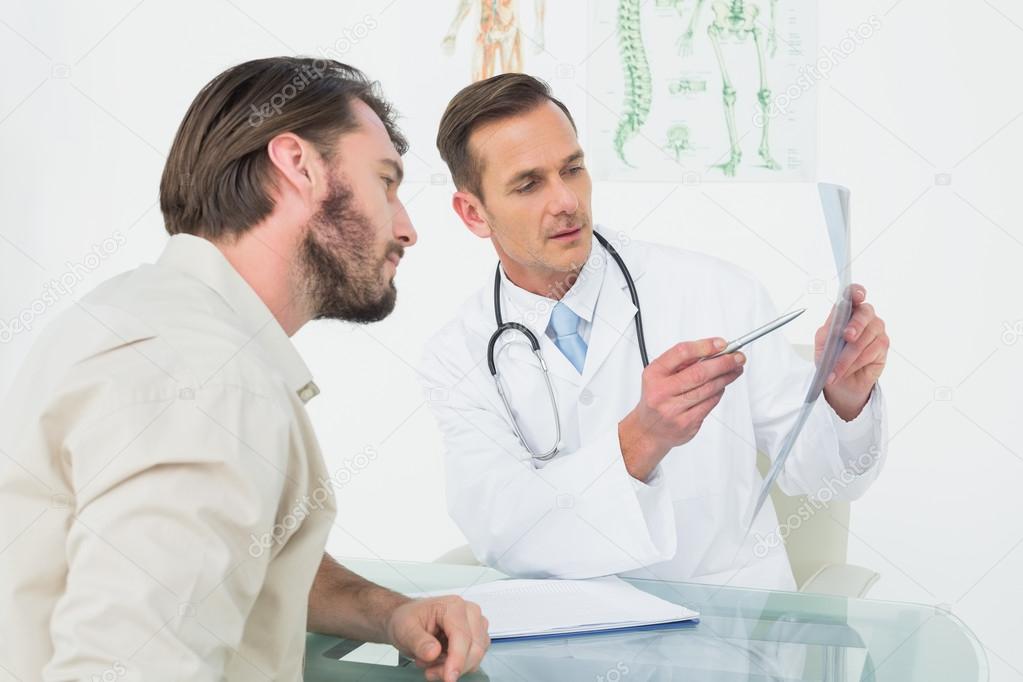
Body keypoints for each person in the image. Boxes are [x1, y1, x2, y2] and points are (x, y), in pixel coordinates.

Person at [0, 57, 488, 682]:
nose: (406, 228)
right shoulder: (210, 384)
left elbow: (223, 558)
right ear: (298, 165)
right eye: (385, 182)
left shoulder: (130, 316)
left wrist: (388, 613)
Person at [420, 73, 890, 590]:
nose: (566, 201)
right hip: (565, 627)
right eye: (529, 184)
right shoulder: (457, 355)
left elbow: (826, 480)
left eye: (572, 169)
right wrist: (643, 437)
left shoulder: (718, 291)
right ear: (473, 213)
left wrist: (844, 399)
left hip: (729, 621)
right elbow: (501, 531)